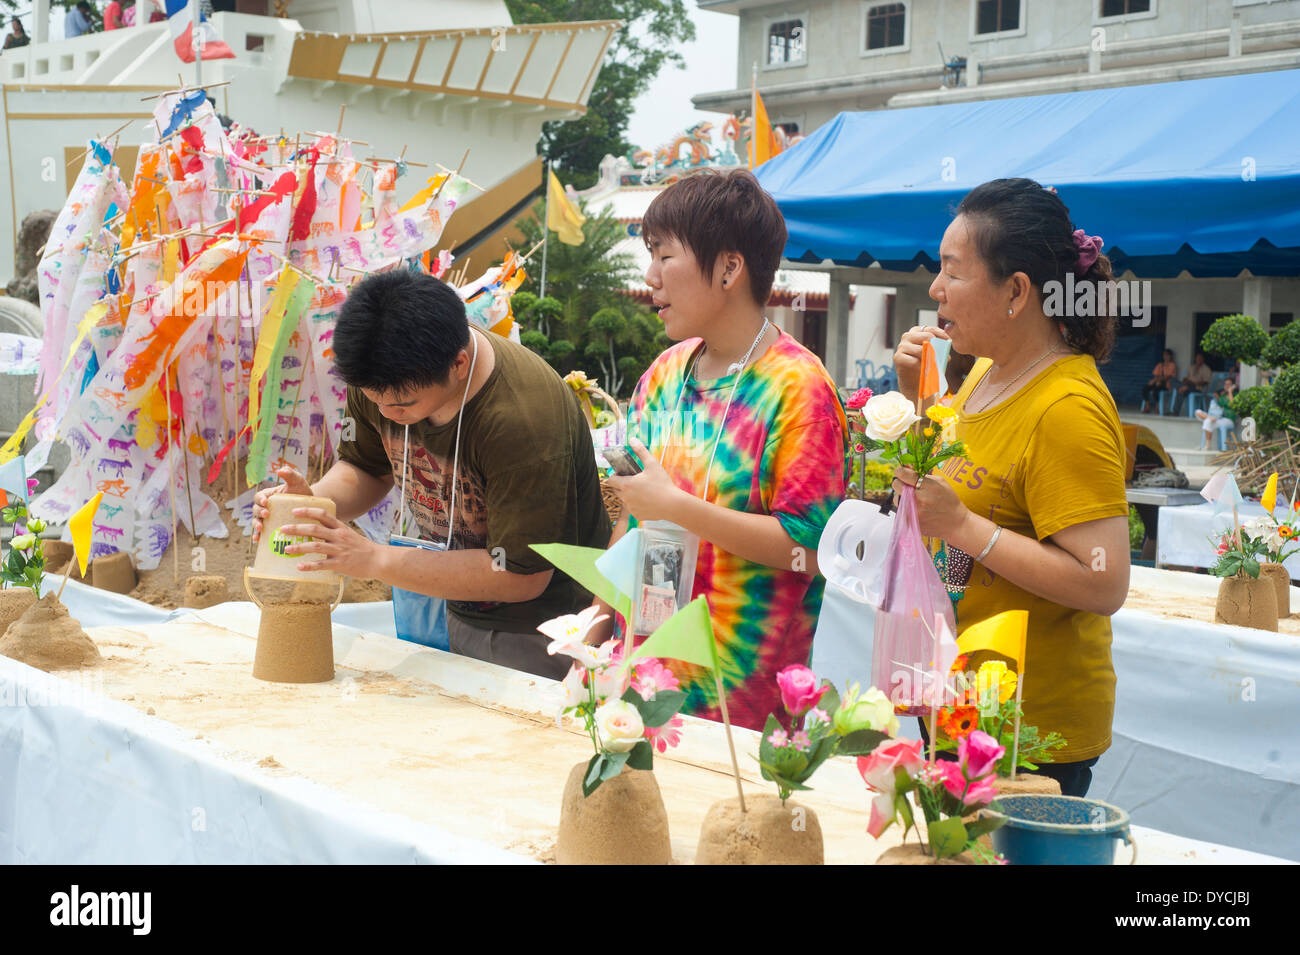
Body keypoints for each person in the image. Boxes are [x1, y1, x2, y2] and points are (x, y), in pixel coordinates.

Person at [892, 178, 1130, 798]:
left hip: (1030, 730)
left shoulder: (1066, 407)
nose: (935, 290)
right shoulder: (982, 378)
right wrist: (921, 400)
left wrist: (964, 528)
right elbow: (966, 480)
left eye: (952, 271)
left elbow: (1104, 582)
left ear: (1017, 291)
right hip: (961, 696)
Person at [251, 270, 611, 680]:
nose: (386, 413)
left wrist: (374, 559)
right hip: (448, 599)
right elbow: (365, 468)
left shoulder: (522, 420)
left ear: (458, 364)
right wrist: (308, 503)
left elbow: (519, 577)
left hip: (542, 628)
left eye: (403, 404)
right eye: (374, 400)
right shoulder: (381, 372)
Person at [590, 168, 848, 731]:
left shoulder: (798, 389)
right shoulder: (663, 374)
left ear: (730, 267)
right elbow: (635, 514)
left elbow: (806, 548)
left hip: (740, 706)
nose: (650, 276)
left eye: (664, 256)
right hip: (641, 680)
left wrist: (675, 507)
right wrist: (596, 623)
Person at [1196, 379, 1237, 449]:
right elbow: (1218, 407)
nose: (1227, 386)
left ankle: (1209, 417)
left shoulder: (1236, 395)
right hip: (1220, 418)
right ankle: (1208, 445)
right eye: (1225, 384)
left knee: (1208, 420)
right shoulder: (1222, 397)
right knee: (1201, 415)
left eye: (1229, 384)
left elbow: (1232, 405)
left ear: (1233, 386)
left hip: (1229, 420)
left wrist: (1230, 392)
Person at [1174, 350, 1213, 414]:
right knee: (1175, 382)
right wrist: (1185, 382)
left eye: (1200, 358)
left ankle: (1175, 412)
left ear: (1203, 359)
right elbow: (1185, 378)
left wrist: (1192, 383)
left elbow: (1205, 382)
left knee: (1182, 390)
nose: (1198, 360)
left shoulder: (1206, 369)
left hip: (1198, 388)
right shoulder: (1192, 367)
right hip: (1188, 386)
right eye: (1197, 358)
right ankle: (1182, 388)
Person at [1140, 348, 1177, 414]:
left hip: (1166, 385)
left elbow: (1168, 377)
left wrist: (1158, 381)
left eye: (1167, 355)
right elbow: (1156, 375)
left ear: (1170, 356)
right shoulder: (1160, 365)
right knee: (1145, 389)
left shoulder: (1172, 365)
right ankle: (1147, 406)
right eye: (1164, 355)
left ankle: (1157, 406)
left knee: (1156, 390)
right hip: (1157, 382)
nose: (1166, 357)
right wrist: (1155, 381)